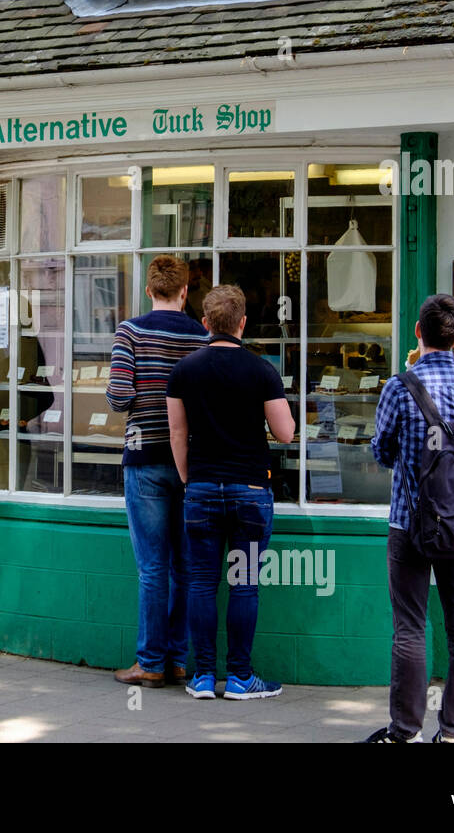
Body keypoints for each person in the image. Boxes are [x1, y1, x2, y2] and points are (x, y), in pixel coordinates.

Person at [363, 293, 454, 743]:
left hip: (410, 523)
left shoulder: (401, 385)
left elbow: (381, 451)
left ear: (418, 333)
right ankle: (453, 733)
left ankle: (405, 732)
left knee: (411, 627)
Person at [167, 285, 294, 700]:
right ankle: (240, 677)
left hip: (201, 488)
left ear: (205, 322)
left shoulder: (184, 370)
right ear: (242, 323)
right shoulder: (262, 371)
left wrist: (189, 477)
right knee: (244, 584)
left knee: (201, 584)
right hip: (250, 491)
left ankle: (203, 677)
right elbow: (285, 433)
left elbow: (177, 431)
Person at [106, 254, 207, 688]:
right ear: (185, 291)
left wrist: (144, 397)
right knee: (186, 567)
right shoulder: (203, 336)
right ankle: (179, 660)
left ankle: (149, 663)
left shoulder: (129, 331)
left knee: (152, 569)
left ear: (149, 290)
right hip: (193, 463)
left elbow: (117, 396)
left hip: (144, 456)